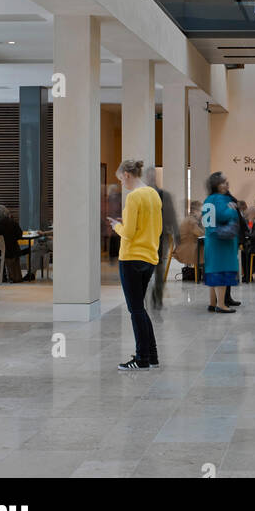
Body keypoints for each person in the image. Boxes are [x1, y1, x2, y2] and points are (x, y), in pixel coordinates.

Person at [110, 159, 162, 371]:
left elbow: (129, 232)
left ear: (127, 175)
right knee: (139, 308)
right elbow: (157, 229)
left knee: (136, 310)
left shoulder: (134, 197)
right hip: (149, 256)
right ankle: (152, 356)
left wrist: (116, 227)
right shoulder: (153, 194)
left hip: (131, 257)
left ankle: (142, 358)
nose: (122, 183)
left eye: (121, 179)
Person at [203, 171, 241, 312]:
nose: (226, 185)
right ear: (216, 185)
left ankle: (212, 303)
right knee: (221, 273)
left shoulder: (208, 199)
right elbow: (223, 215)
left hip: (211, 241)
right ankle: (221, 305)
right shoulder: (220, 199)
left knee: (213, 273)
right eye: (224, 183)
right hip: (221, 243)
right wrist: (232, 210)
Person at [144, 166, 179, 310]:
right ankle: (145, 298)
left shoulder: (164, 195)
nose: (151, 178)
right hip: (145, 238)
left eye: (153, 175)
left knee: (159, 269)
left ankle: (157, 298)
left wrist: (176, 234)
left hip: (160, 236)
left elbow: (171, 215)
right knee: (145, 268)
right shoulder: (141, 195)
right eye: (149, 176)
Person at [0, 204, 24, 283]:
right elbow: (19, 235)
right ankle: (15, 276)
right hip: (12, 252)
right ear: (6, 213)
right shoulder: (12, 223)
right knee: (15, 247)